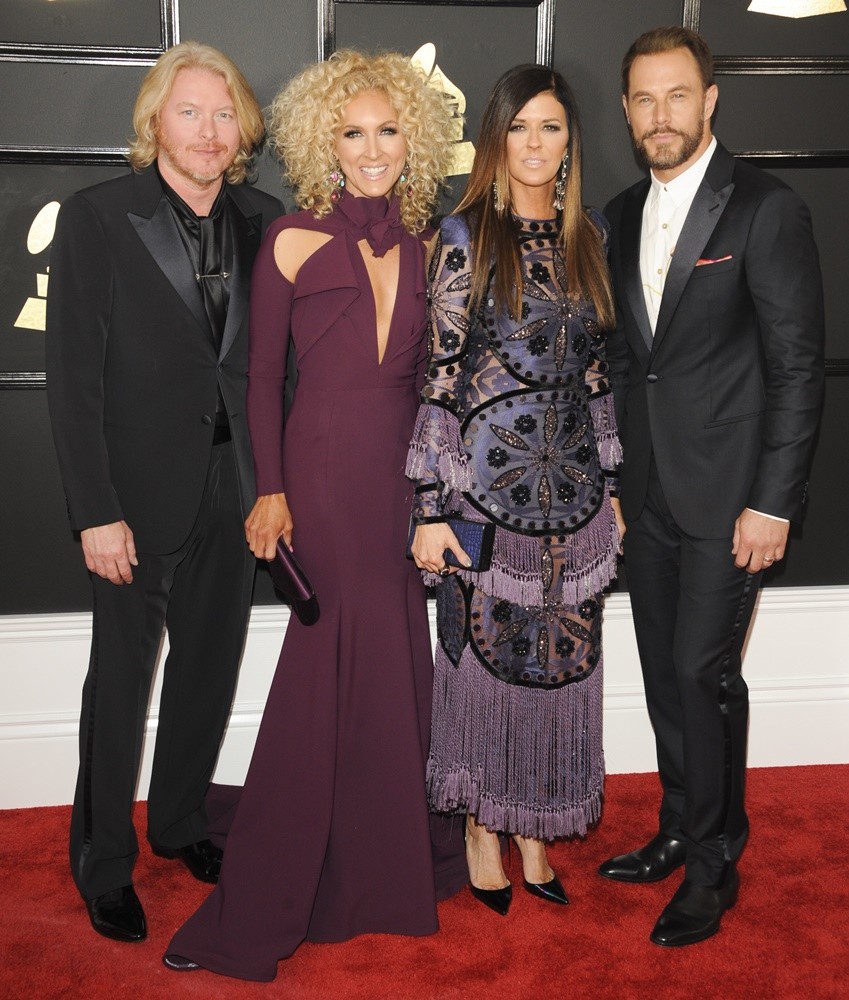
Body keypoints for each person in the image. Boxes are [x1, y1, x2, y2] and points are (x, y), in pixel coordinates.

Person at [164, 50, 460, 981]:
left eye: (386, 130)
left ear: (411, 139)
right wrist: (270, 489)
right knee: (325, 660)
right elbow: (257, 379)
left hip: (399, 480)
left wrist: (437, 497)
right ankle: (283, 875)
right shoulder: (289, 237)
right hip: (320, 477)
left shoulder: (433, 247)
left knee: (394, 657)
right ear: (322, 145)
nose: (370, 149)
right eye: (350, 132)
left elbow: (438, 387)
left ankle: (386, 857)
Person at [45, 41, 282, 943]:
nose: (209, 131)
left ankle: (180, 823)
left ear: (243, 129)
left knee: (207, 672)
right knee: (119, 686)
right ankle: (103, 864)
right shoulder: (100, 217)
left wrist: (274, 486)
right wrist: (95, 509)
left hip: (236, 492)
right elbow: (75, 380)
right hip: (132, 502)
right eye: (190, 112)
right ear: (155, 124)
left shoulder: (267, 218)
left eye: (224, 115)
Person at [598, 26, 824, 947]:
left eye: (676, 96)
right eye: (643, 100)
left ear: (710, 101)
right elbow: (624, 361)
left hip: (733, 500)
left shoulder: (764, 210)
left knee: (702, 672)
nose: (660, 115)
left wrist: (772, 501)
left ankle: (713, 864)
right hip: (646, 493)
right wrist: (614, 475)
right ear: (625, 111)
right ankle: (678, 824)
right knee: (662, 675)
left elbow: (796, 367)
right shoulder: (614, 212)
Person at [408, 64, 623, 916]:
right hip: (482, 494)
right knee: (486, 667)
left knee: (560, 667)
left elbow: (595, 373)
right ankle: (479, 829)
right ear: (496, 139)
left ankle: (535, 821)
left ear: (571, 142)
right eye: (521, 128)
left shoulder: (591, 235)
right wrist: (427, 510)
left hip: (568, 496)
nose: (536, 145)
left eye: (553, 129)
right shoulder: (462, 238)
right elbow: (438, 377)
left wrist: (607, 488)